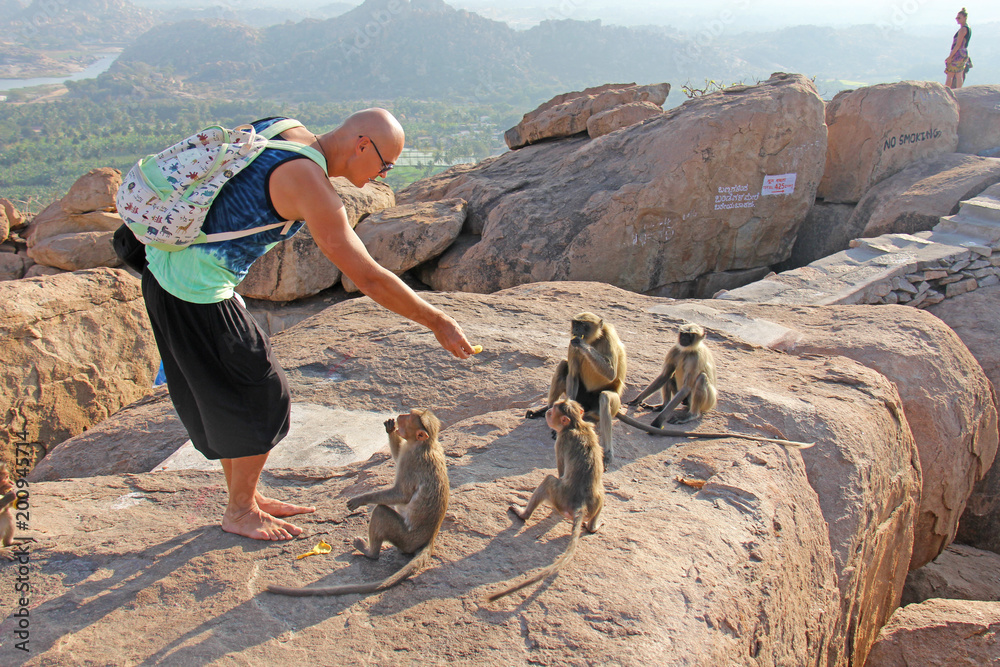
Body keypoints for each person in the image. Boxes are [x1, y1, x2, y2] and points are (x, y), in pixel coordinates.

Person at [141, 108, 475, 541]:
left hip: (166, 270)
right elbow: (368, 276)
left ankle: (245, 497)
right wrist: (437, 320)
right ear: (360, 145)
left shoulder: (282, 128)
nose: (383, 177)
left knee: (231, 396)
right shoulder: (310, 185)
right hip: (195, 293)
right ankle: (240, 511)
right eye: (385, 165)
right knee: (264, 400)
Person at [945, 8, 971, 89]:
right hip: (964, 53)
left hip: (958, 53)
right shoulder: (968, 28)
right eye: (957, 18)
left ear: (965, 18)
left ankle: (946, 92)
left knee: (950, 74)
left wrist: (950, 57)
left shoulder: (963, 29)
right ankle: (959, 91)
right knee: (959, 74)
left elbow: (958, 45)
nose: (957, 19)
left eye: (959, 18)